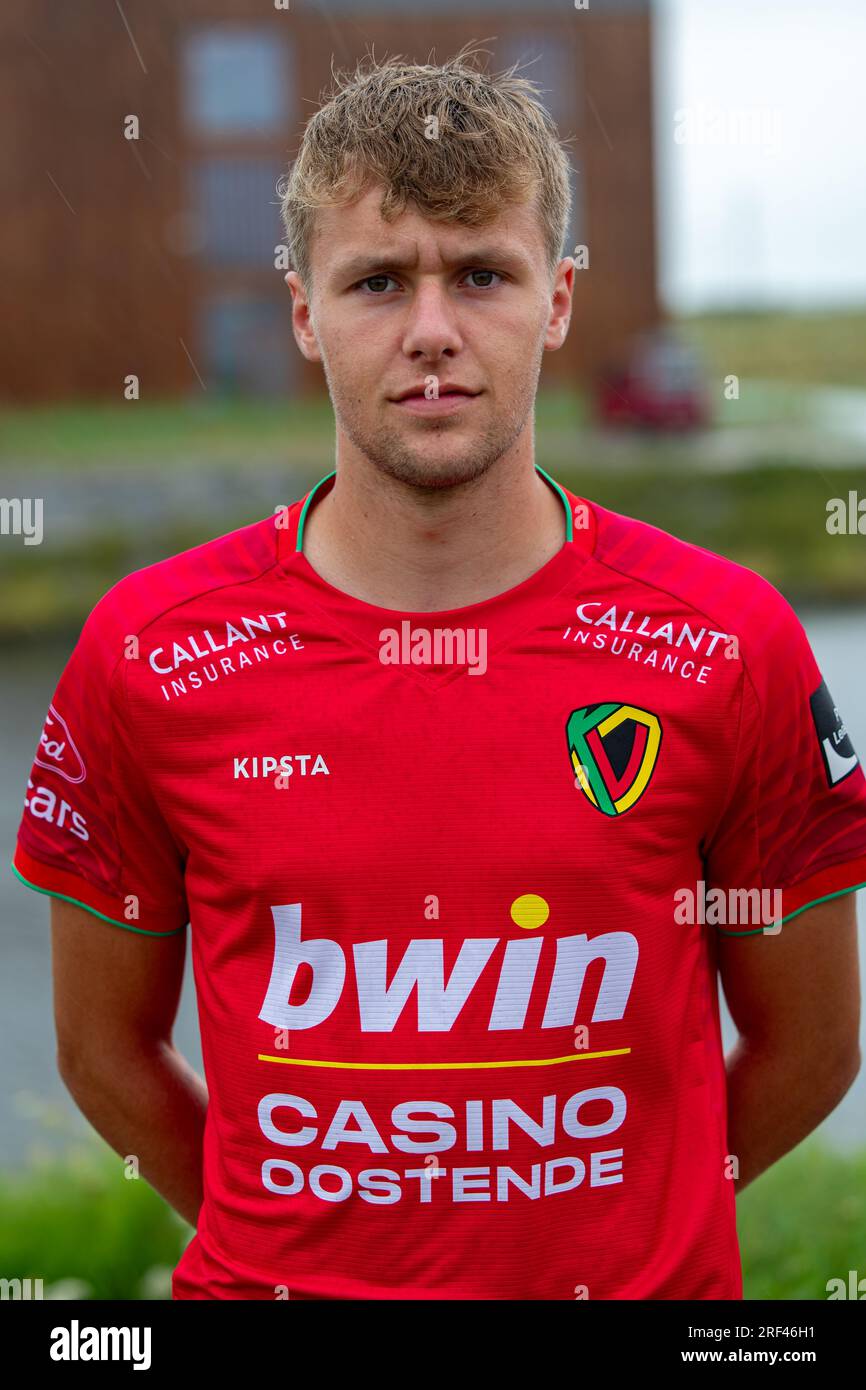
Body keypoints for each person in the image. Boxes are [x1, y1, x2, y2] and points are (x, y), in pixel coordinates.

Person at [11, 50, 866, 1301]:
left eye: (479, 275)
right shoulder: (151, 649)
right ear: (303, 314)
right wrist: (281, 1246)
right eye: (376, 281)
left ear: (556, 300)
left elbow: (812, 1044)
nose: (430, 332)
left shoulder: (726, 639)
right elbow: (102, 1052)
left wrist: (642, 1221)